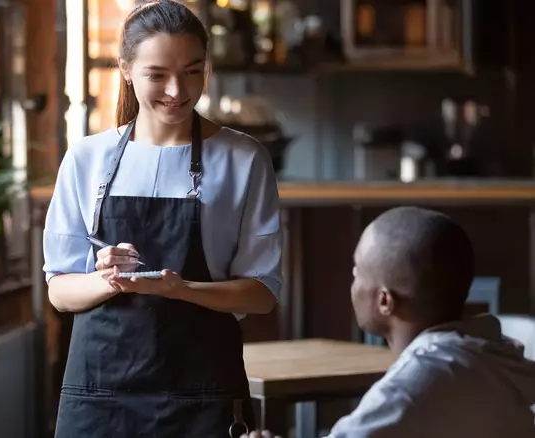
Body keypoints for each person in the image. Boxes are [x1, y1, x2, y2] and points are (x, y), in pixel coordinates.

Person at [43, 0, 282, 436]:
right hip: (100, 398)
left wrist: (182, 289)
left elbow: (261, 293)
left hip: (202, 395)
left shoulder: (243, 158)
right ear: (127, 70)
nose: (177, 90)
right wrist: (108, 279)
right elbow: (59, 290)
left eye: (192, 71)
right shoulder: (86, 159)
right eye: (158, 75)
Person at [243, 206, 535, 438]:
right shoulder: (490, 355)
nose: (352, 283)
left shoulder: (420, 380)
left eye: (357, 271)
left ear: (385, 301)